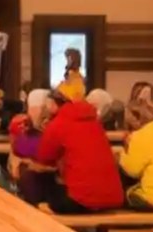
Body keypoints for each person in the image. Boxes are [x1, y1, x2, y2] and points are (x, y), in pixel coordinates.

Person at [33, 85, 124, 213]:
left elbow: (43, 160)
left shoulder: (59, 123)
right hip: (112, 198)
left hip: (79, 200)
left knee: (33, 177)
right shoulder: (95, 123)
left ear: (54, 103)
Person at [10, 89, 55, 205]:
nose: (36, 111)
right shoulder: (21, 124)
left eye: (39, 107)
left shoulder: (55, 124)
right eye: (33, 107)